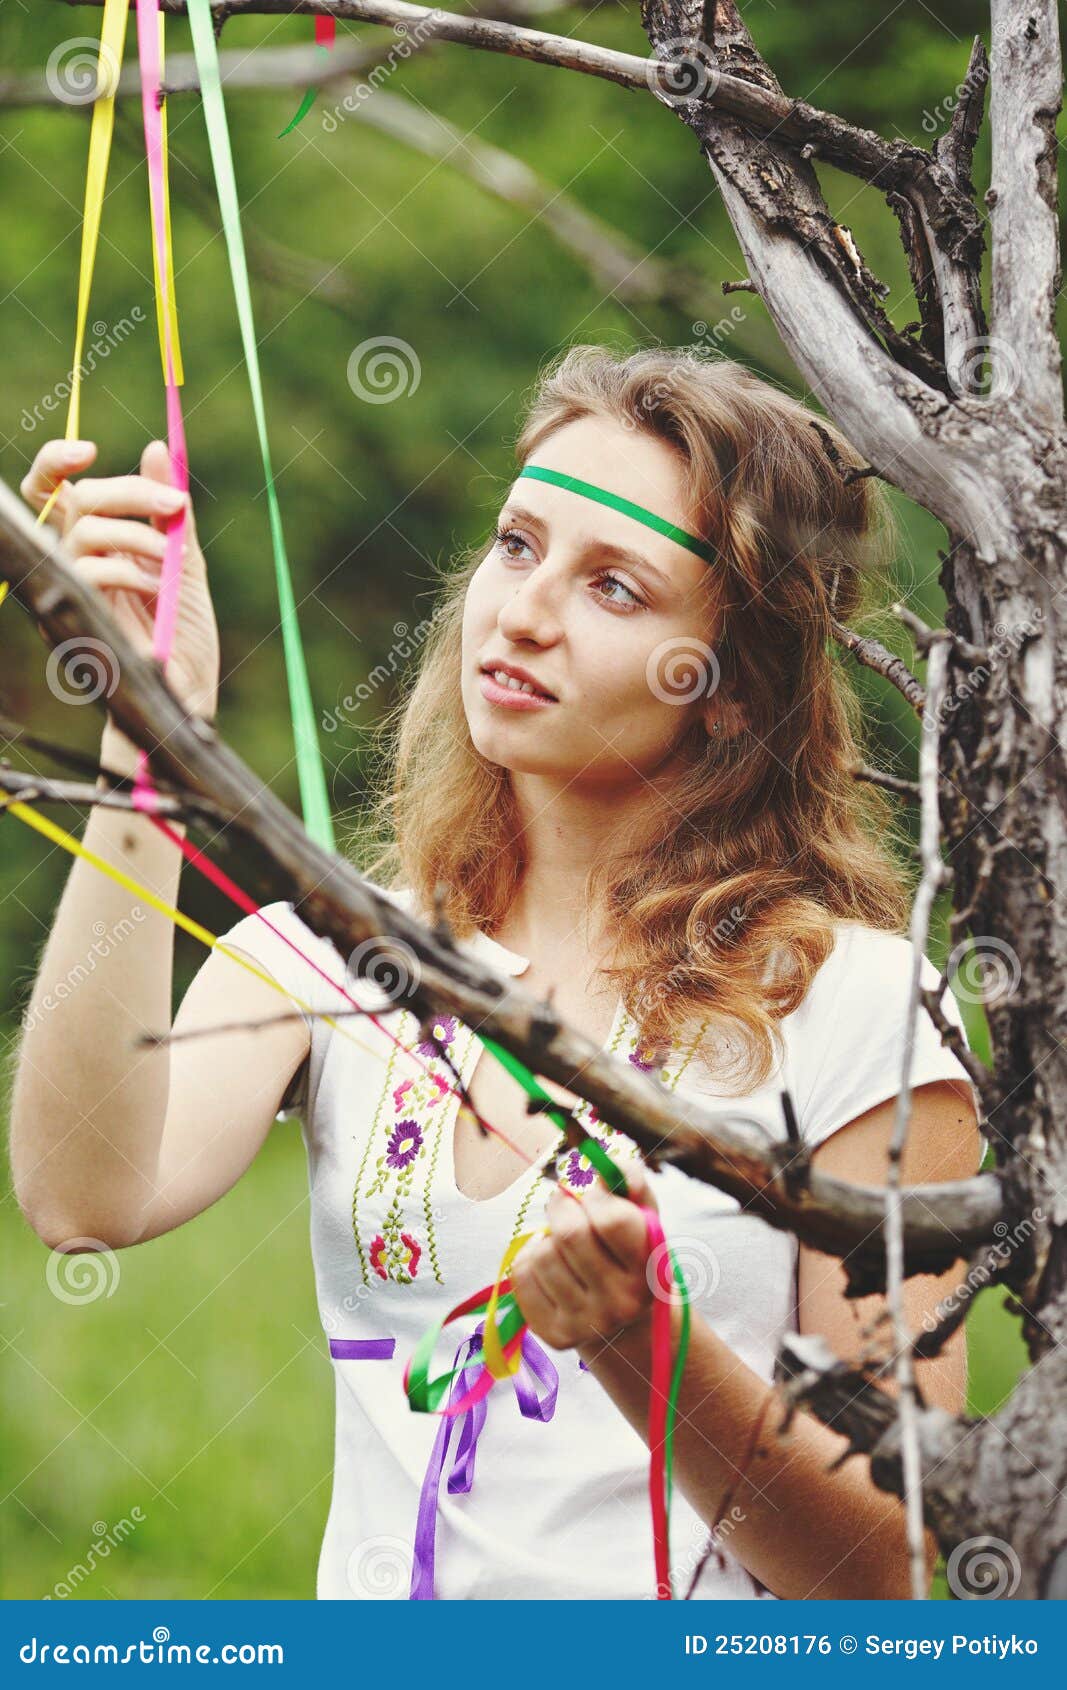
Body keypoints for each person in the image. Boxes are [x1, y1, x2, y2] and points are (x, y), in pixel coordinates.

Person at [11, 345, 984, 1602]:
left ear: (732, 687)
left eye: (613, 586)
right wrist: (146, 731)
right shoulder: (331, 952)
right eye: (517, 545)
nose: (523, 612)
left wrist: (644, 1346)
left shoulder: (858, 1007)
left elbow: (888, 1567)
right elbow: (83, 1194)